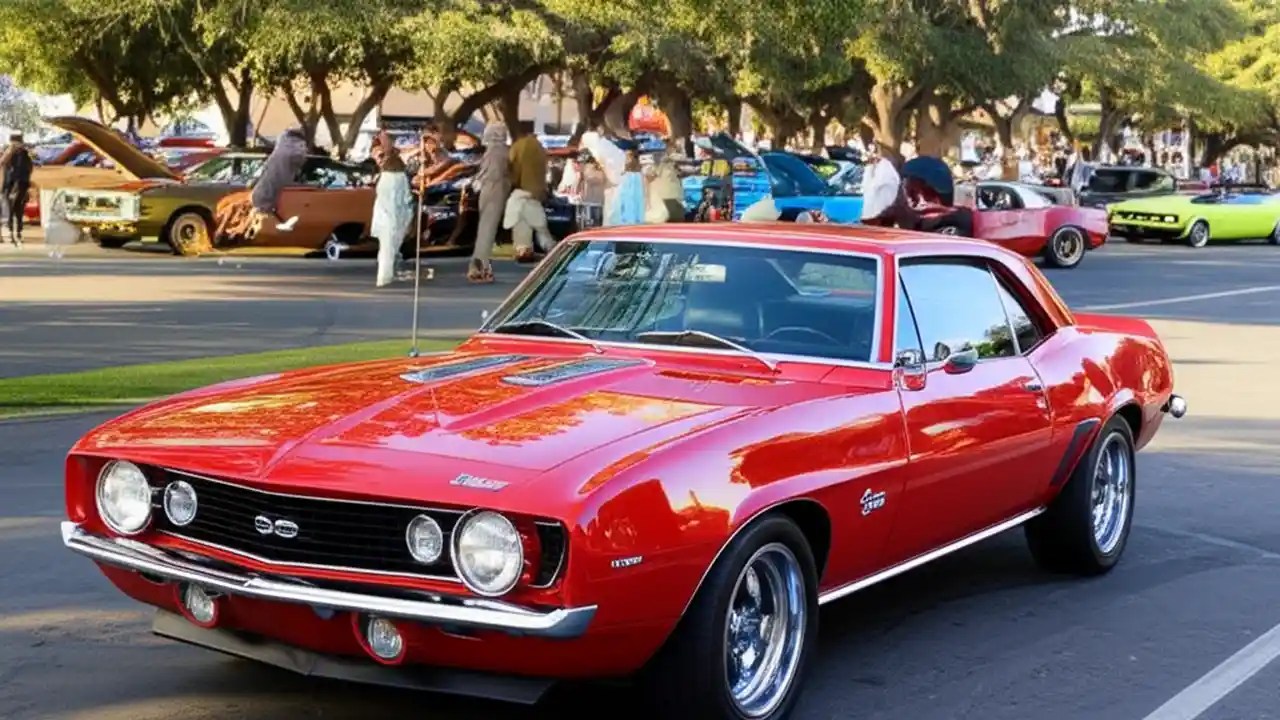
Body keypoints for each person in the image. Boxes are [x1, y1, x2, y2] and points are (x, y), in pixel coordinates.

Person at [369, 132, 415, 288]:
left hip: (391, 204)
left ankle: (389, 271)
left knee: (391, 242)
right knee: (389, 240)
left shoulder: (386, 175)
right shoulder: (396, 176)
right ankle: (385, 275)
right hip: (393, 204)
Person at [505, 121, 554, 261]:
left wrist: (511, 183)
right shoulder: (539, 147)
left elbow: (513, 169)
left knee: (522, 222)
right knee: (538, 222)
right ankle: (545, 247)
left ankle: (525, 249)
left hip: (522, 190)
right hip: (537, 191)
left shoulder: (518, 146)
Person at [468, 122, 510, 283]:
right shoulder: (499, 152)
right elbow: (496, 174)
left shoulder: (492, 152)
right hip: (495, 191)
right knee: (487, 230)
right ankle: (480, 267)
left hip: (488, 191)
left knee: (485, 229)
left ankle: (480, 265)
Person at [2, 133, 34, 247]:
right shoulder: (9, 152)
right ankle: (13, 233)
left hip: (18, 185)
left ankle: (17, 232)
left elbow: (29, 168)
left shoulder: (25, 153)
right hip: (12, 185)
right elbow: (2, 163)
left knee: (17, 209)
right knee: (13, 209)